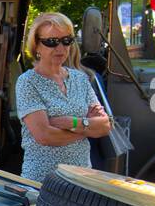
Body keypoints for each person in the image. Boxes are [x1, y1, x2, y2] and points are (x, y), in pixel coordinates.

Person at [13, 12, 112, 183]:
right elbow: (44, 136)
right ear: (36, 46)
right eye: (51, 42)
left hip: (81, 180)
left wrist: (73, 123)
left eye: (66, 40)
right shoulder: (28, 82)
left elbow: (104, 126)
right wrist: (87, 130)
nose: (60, 48)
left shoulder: (80, 78)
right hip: (44, 182)